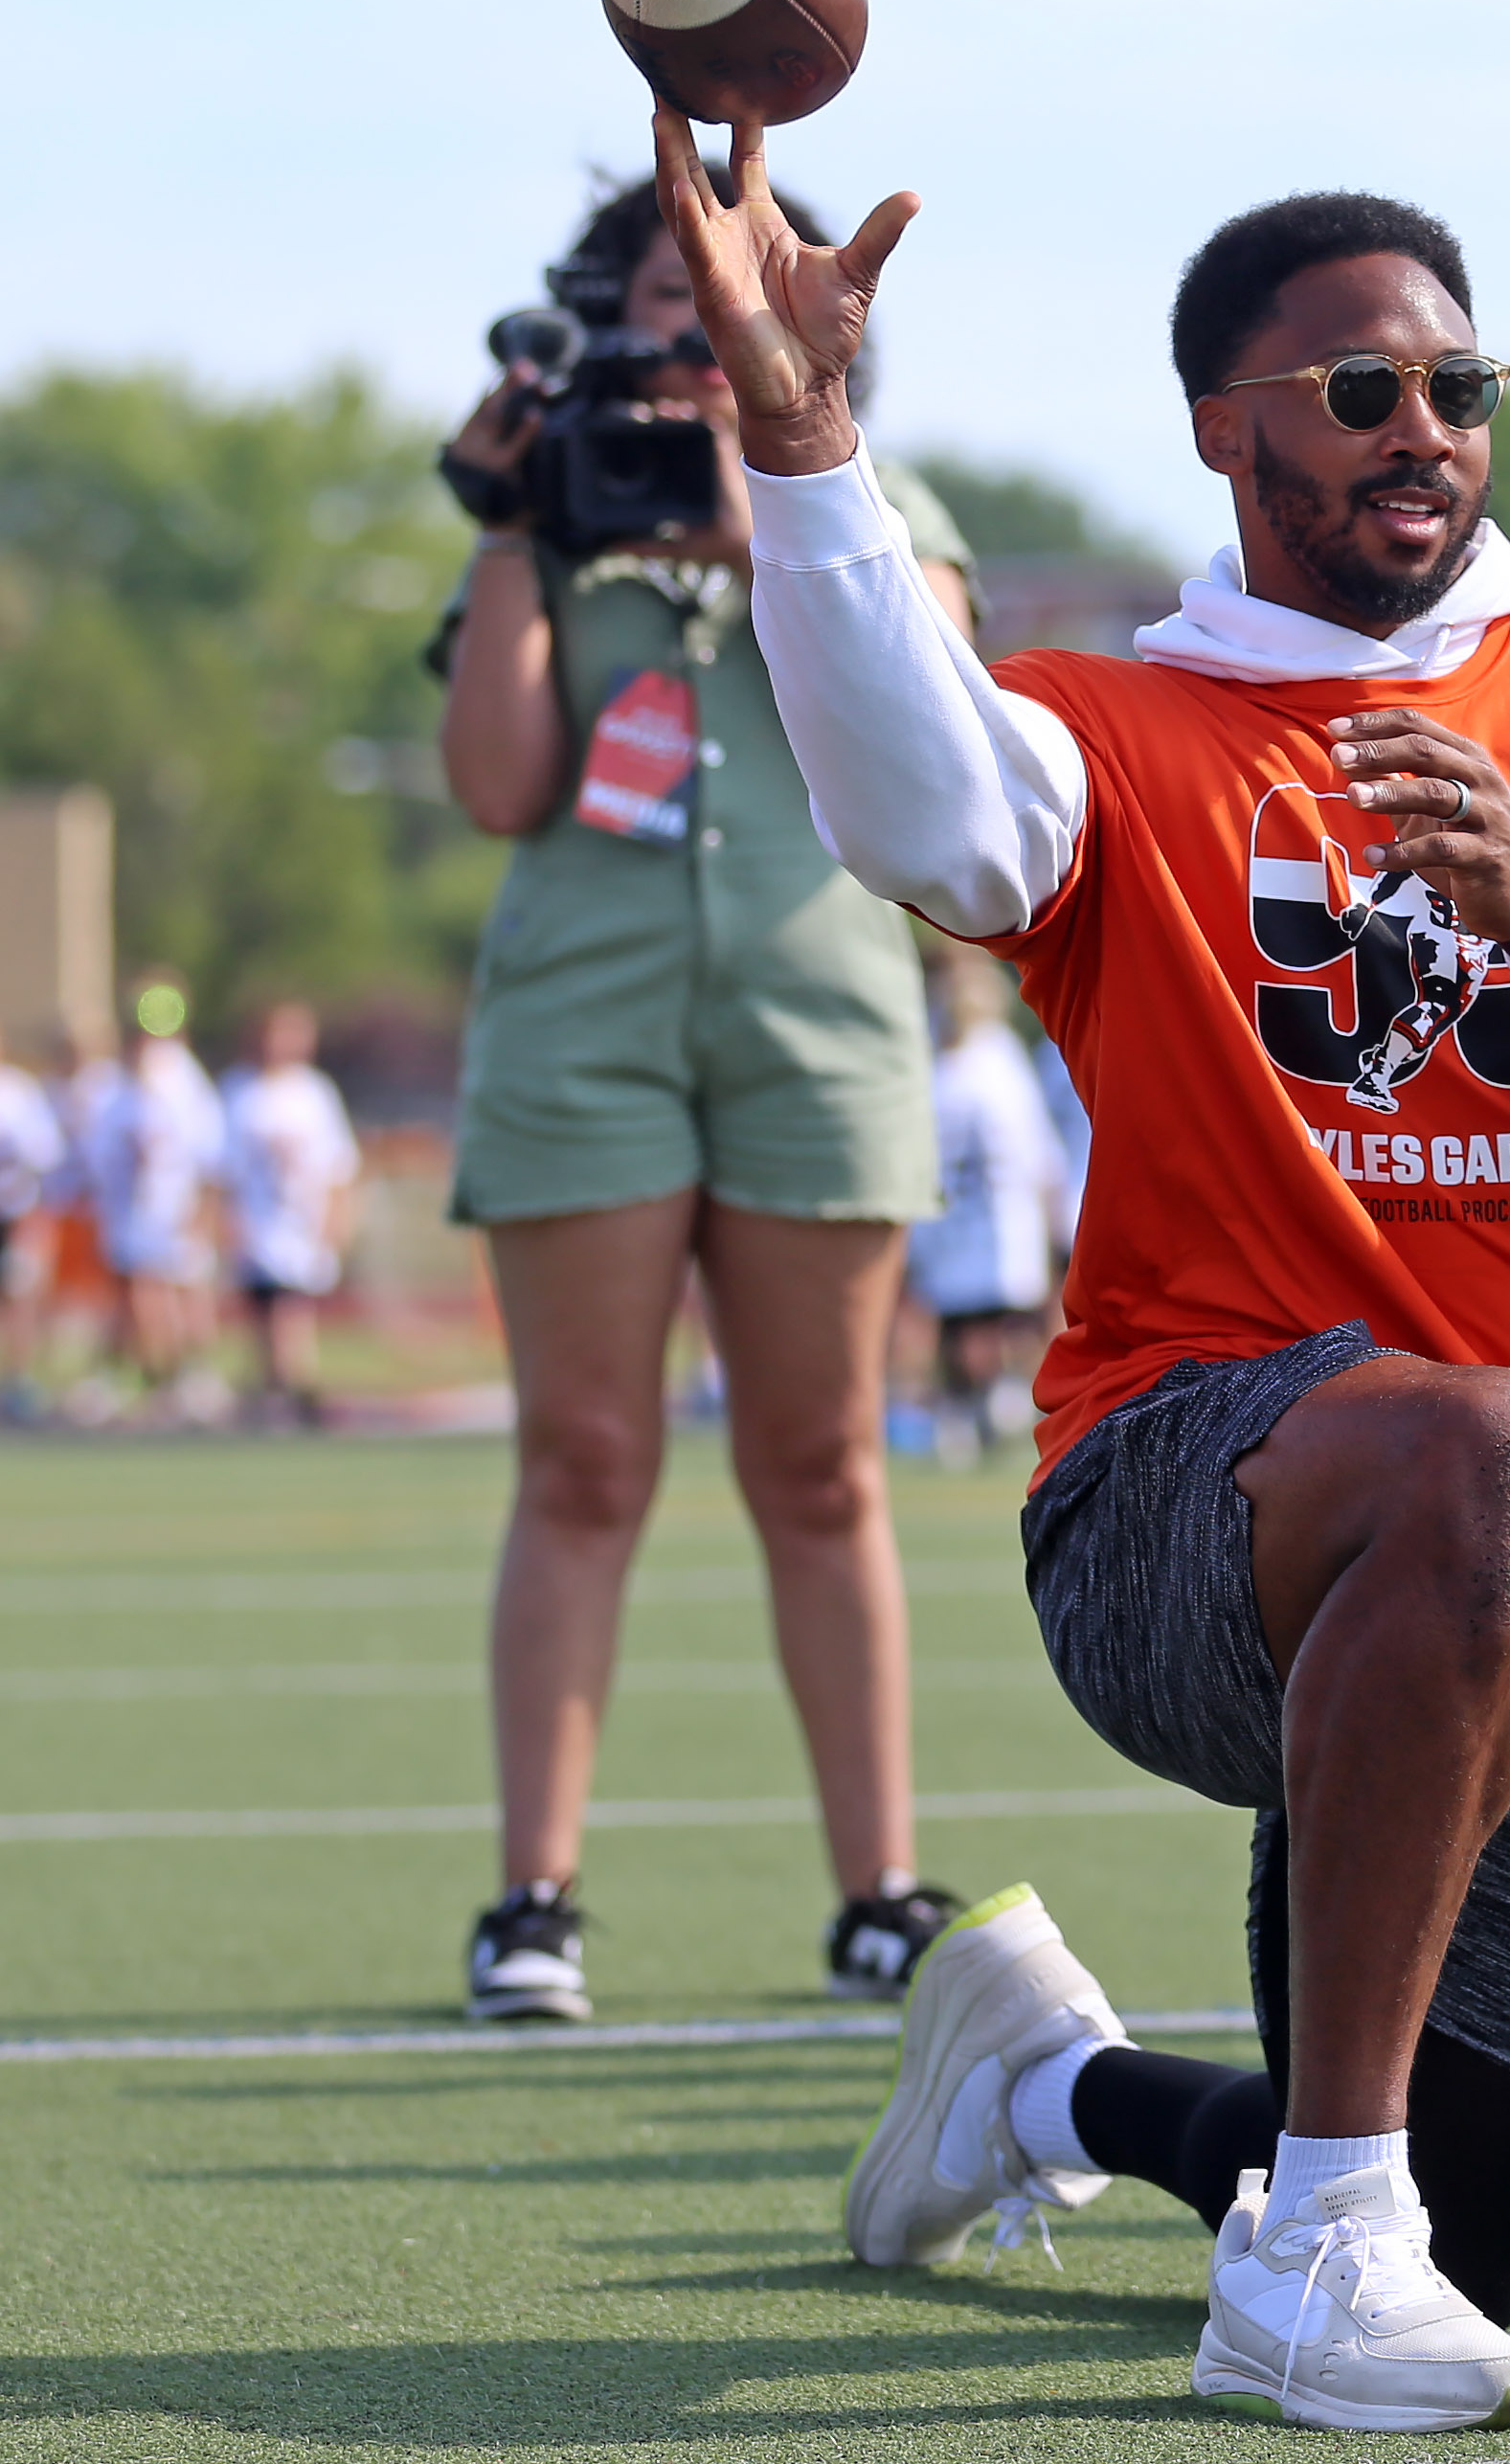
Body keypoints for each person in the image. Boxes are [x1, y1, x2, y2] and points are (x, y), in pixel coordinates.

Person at [681, 127, 1510, 2425]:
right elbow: (912, 812)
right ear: (1219, 428)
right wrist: (805, 440)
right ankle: (1317, 2237)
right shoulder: (1113, 727)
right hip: (1181, 1507)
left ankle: (1051, 2084)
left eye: (1456, 384)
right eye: (1352, 389)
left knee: (1479, 2201)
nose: (1417, 427)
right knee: (1483, 1439)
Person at [433, 164, 973, 2022]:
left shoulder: (876, 503)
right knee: (582, 1457)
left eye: (726, 277)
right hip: (582, 1011)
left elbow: (946, 734)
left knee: (822, 1464)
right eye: (660, 284)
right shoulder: (562, 503)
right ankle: (535, 1897)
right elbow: (499, 779)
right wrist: (513, 522)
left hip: (818, 1011)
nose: (690, 314)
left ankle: (879, 1890)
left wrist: (776, 504)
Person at [911, 952, 1067, 1464]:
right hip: (995, 1225)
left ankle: (971, 1413)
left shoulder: (943, 1069)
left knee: (969, 1326)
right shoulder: (998, 1064)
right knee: (1000, 1323)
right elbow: (1035, 1150)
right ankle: (991, 1405)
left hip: (960, 1226)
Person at [85, 976, 228, 1420]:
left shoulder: (184, 1080)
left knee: (181, 1292)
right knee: (138, 1293)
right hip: (132, 1212)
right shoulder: (118, 1081)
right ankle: (150, 1374)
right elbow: (103, 1150)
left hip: (174, 1209)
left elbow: (208, 1154)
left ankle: (187, 1375)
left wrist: (202, 1210)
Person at [220, 1000, 359, 1430]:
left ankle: (292, 1388)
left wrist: (336, 1220)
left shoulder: (315, 1092)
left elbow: (338, 1165)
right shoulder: (238, 1089)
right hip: (257, 1221)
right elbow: (219, 1166)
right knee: (268, 1309)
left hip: (302, 1222)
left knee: (291, 1309)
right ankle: (282, 1388)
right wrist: (223, 1221)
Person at [0, 1040, 59, 1422]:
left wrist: (31, 1218)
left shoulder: (17, 1092)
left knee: (18, 1295)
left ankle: (18, 1382)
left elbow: (43, 1157)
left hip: (14, 1213)